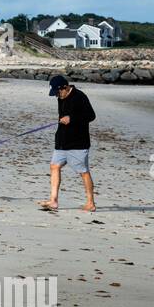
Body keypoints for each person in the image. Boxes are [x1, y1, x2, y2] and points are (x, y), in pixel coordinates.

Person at [39, 74, 96, 212]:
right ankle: (53, 200)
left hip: (78, 143)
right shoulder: (61, 97)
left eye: (58, 92)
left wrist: (72, 118)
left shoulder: (80, 96)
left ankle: (90, 203)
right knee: (54, 166)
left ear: (65, 87)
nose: (57, 96)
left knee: (83, 172)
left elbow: (91, 116)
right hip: (62, 142)